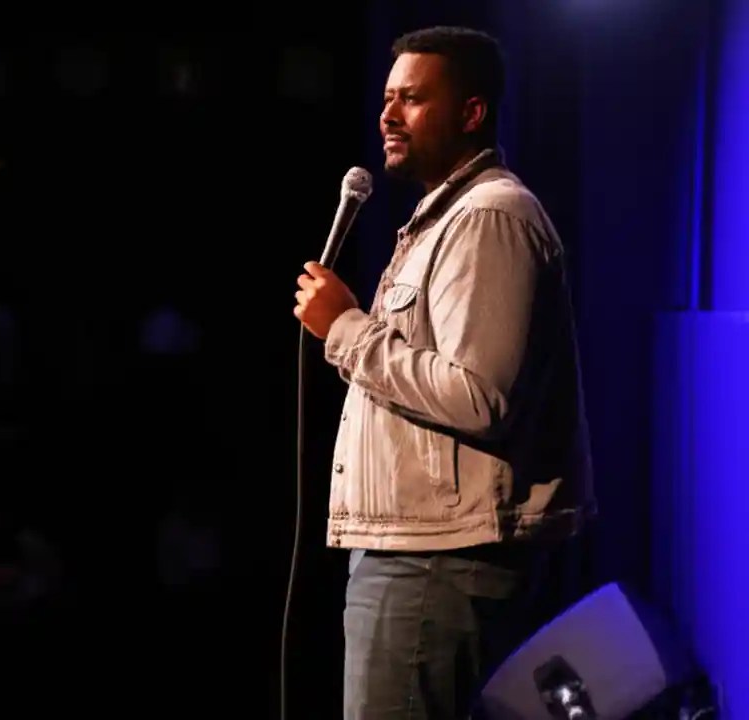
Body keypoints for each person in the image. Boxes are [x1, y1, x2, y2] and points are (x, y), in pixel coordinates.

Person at [291, 26, 595, 719]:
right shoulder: (445, 219)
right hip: (417, 551)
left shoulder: (491, 217)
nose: (388, 116)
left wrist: (345, 327)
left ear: (472, 113)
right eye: (387, 98)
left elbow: (480, 397)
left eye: (413, 99)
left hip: (437, 563)